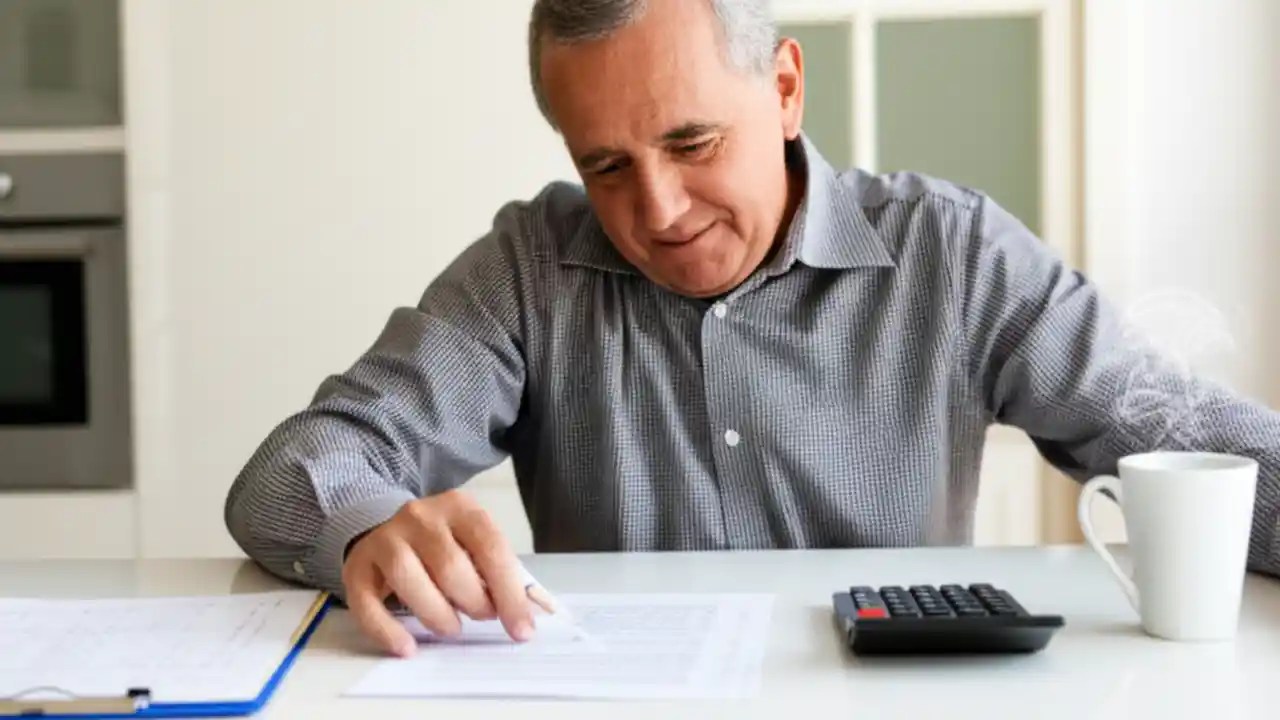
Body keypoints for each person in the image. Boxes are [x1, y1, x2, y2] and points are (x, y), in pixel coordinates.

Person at [225, 0, 1280, 657]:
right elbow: (283, 479)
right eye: (604, 166)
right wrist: (365, 522)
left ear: (782, 87)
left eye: (691, 141)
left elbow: (1190, 434)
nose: (658, 210)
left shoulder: (951, 257)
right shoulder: (529, 268)